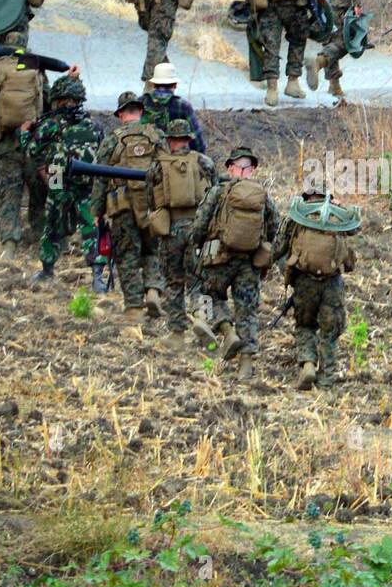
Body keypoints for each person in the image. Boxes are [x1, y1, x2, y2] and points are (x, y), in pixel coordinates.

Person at [188, 147, 280, 381]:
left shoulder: (218, 191)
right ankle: (246, 365)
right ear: (252, 170)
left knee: (211, 296)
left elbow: (200, 225)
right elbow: (274, 229)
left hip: (219, 257)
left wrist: (196, 246)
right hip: (250, 261)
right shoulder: (263, 195)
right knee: (246, 310)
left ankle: (227, 331)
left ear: (230, 168)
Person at [18, 73, 106, 291]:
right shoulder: (94, 125)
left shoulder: (51, 124)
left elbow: (31, 150)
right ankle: (97, 277)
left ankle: (47, 270)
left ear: (59, 99)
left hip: (58, 175)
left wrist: (24, 134)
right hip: (87, 181)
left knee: (53, 223)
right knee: (90, 227)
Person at [271, 189, 358, 390]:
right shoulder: (336, 216)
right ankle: (327, 380)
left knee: (305, 325)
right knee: (330, 331)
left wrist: (272, 265)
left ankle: (308, 363)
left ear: (307, 197)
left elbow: (279, 247)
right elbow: (355, 227)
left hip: (304, 281)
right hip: (332, 283)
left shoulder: (297, 215)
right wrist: (338, 206)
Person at [90, 91, 165, 318]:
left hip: (122, 206)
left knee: (126, 255)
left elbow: (100, 177)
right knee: (153, 249)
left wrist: (97, 210)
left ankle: (133, 307)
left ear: (121, 114)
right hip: (153, 206)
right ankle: (152, 289)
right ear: (140, 112)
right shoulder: (157, 136)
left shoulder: (113, 139)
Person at [145, 119, 217, 349]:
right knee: (200, 281)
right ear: (188, 139)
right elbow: (216, 192)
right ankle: (203, 320)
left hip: (171, 231)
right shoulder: (205, 162)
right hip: (198, 230)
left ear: (169, 141)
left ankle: (177, 333)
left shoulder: (157, 167)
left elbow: (150, 200)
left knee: (173, 282)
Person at [0, 32, 49, 252]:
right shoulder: (36, 69)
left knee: (10, 196)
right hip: (35, 148)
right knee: (39, 196)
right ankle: (41, 241)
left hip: (6, 146)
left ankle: (9, 245)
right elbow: (47, 105)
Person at [134, 61, 206, 154]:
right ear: (175, 85)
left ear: (154, 84)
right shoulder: (182, 106)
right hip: (171, 159)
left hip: (142, 154)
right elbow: (197, 141)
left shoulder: (140, 102)